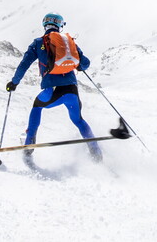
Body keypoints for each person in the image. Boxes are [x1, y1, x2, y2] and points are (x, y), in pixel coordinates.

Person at [6, 13, 102, 161]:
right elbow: (85, 63)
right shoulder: (69, 43)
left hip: (52, 91)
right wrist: (79, 66)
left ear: (44, 24)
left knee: (37, 107)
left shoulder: (38, 43)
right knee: (78, 120)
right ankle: (96, 152)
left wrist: (14, 82)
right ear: (60, 25)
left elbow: (24, 64)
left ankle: (29, 144)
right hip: (72, 91)